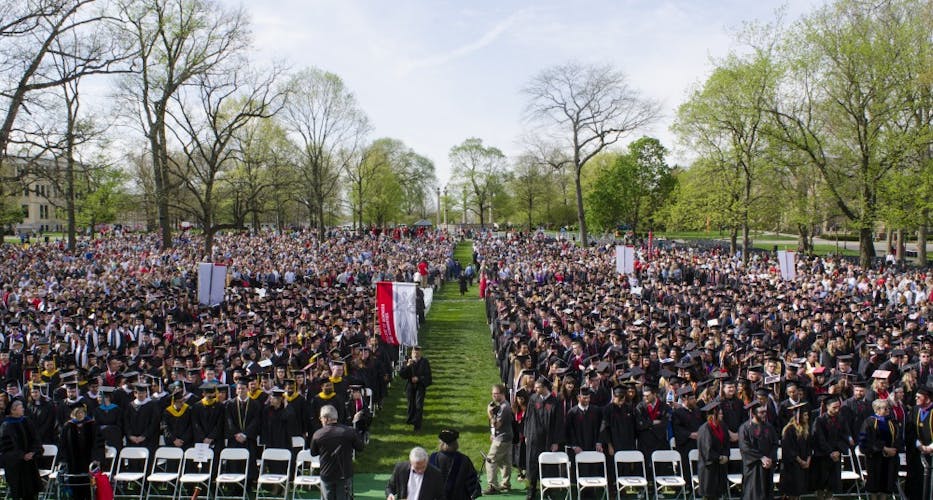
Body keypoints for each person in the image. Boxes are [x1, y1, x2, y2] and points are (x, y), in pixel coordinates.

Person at [309, 405, 365, 500]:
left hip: (327, 474)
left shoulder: (318, 434)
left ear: (326, 419)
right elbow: (360, 447)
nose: (320, 420)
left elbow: (313, 453)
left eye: (321, 418)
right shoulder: (349, 432)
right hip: (344, 474)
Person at [524, 377, 562, 500]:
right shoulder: (533, 399)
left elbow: (558, 423)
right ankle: (532, 489)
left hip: (548, 439)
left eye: (538, 387)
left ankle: (548, 490)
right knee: (533, 463)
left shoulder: (555, 401)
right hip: (534, 438)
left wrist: (556, 441)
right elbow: (528, 418)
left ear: (545, 387)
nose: (535, 389)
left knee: (548, 465)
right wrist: (526, 434)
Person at [0, 400, 44, 500]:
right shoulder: (5, 425)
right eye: (21, 407)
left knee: (32, 492)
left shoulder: (26, 421)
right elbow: (6, 447)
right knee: (18, 492)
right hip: (15, 465)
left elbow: (36, 439)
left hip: (30, 462)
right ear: (13, 410)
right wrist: (22, 455)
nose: (23, 409)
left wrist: (33, 452)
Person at [811, 395, 852, 500]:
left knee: (833, 484)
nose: (837, 409)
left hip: (836, 456)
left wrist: (838, 451)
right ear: (827, 407)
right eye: (834, 407)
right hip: (822, 456)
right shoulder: (819, 420)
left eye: (838, 407)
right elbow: (819, 438)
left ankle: (830, 498)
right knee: (821, 483)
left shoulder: (841, 419)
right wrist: (830, 452)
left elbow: (845, 436)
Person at [859, 399, 900, 500]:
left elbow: (899, 438)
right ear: (877, 410)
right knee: (874, 484)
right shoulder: (869, 422)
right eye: (885, 408)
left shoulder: (892, 421)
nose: (888, 410)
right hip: (875, 458)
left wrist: (894, 449)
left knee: (887, 483)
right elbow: (864, 442)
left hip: (890, 459)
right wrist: (883, 448)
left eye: (888, 408)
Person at [738, 400, 777, 500]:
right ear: (753, 413)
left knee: (767, 492)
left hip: (767, 466)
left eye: (765, 412)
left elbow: (774, 444)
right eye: (761, 412)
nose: (764, 414)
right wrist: (761, 457)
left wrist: (770, 459)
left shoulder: (769, 427)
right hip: (753, 467)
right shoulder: (745, 428)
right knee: (753, 493)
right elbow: (745, 447)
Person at [59, 403, 99, 500]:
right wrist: (63, 458)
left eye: (82, 412)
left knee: (88, 480)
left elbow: (98, 442)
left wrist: (96, 457)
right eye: (78, 413)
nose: (80, 415)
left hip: (88, 459)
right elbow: (62, 444)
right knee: (75, 481)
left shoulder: (91, 424)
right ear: (73, 413)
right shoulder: (68, 426)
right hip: (73, 460)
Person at [429, 429, 482, 500]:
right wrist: (474, 492)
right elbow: (472, 483)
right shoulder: (464, 459)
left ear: (441, 442)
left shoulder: (433, 458)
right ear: (455, 443)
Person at [695, 400, 729, 500]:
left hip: (720, 467)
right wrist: (719, 457)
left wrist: (726, 455)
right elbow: (706, 450)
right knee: (709, 495)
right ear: (714, 415)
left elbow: (726, 443)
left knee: (718, 494)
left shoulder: (722, 426)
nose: (722, 415)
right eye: (720, 414)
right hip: (708, 468)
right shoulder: (705, 429)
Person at [780, 402, 811, 500]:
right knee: (791, 491)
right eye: (805, 415)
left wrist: (808, 461)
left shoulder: (806, 429)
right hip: (792, 466)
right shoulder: (789, 430)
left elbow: (810, 447)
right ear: (799, 416)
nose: (807, 417)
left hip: (803, 465)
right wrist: (801, 461)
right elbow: (789, 449)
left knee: (799, 491)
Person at [485, 383, 513, 494]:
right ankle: (506, 484)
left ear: (502, 393)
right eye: (493, 394)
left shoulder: (504, 407)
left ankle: (493, 486)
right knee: (505, 461)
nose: (494, 396)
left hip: (502, 439)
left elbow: (497, 425)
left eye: (496, 394)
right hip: (505, 436)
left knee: (490, 460)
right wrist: (493, 434)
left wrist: (489, 413)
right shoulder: (502, 405)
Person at [399, 346, 432, 431]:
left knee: (419, 405)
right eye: (414, 352)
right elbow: (402, 374)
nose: (416, 354)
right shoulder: (408, 361)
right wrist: (408, 366)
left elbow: (428, 376)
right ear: (411, 353)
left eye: (417, 352)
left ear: (420, 353)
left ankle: (417, 425)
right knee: (411, 404)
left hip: (420, 386)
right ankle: (411, 419)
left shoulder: (424, 362)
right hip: (410, 386)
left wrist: (419, 379)